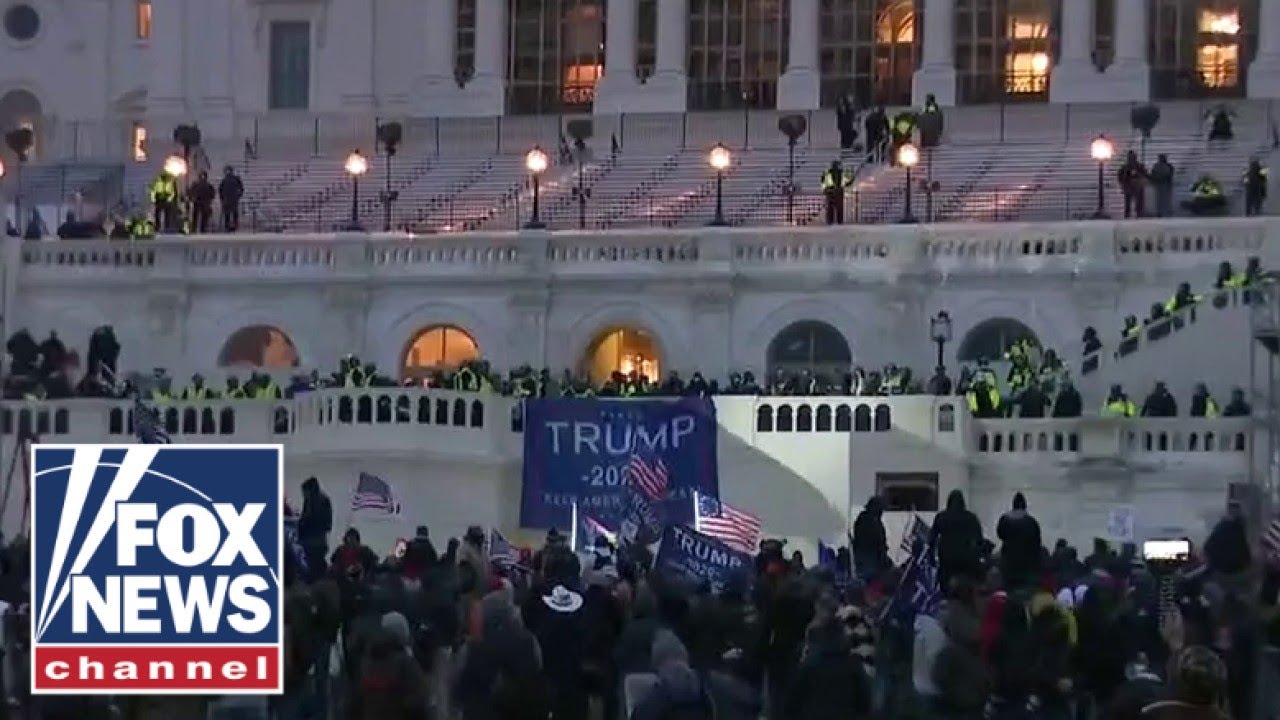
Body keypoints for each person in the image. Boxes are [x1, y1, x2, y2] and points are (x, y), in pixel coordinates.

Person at [930, 489, 983, 592]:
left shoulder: (942, 517)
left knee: (945, 587)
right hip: (966, 559)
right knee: (967, 586)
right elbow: (979, 539)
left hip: (946, 558)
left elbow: (932, 539)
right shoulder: (970, 517)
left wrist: (932, 557)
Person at [996, 492, 1041, 590]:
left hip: (1009, 562)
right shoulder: (1031, 522)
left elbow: (1000, 534)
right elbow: (1037, 543)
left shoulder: (1005, 519)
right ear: (1024, 506)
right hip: (1027, 564)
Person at [821, 160, 853, 225]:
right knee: (836, 208)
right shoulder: (840, 173)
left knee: (835, 208)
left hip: (833, 192)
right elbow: (847, 182)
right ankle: (836, 221)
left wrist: (825, 190)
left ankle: (832, 221)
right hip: (834, 191)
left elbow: (823, 182)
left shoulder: (828, 172)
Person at [1118, 151, 1148, 218]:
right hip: (1129, 187)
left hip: (1137, 187)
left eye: (1133, 157)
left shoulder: (1138, 166)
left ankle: (1138, 215)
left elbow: (1145, 175)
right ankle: (1130, 215)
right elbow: (1120, 177)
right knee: (1129, 204)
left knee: (1138, 204)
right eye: (1131, 157)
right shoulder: (1125, 167)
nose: (1132, 159)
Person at [219, 165, 245, 232]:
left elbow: (241, 188)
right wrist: (222, 198)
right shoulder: (225, 180)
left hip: (232, 199)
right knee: (229, 214)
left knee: (233, 213)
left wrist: (238, 196)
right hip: (229, 199)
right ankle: (229, 226)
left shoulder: (234, 179)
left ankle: (232, 226)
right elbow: (220, 190)